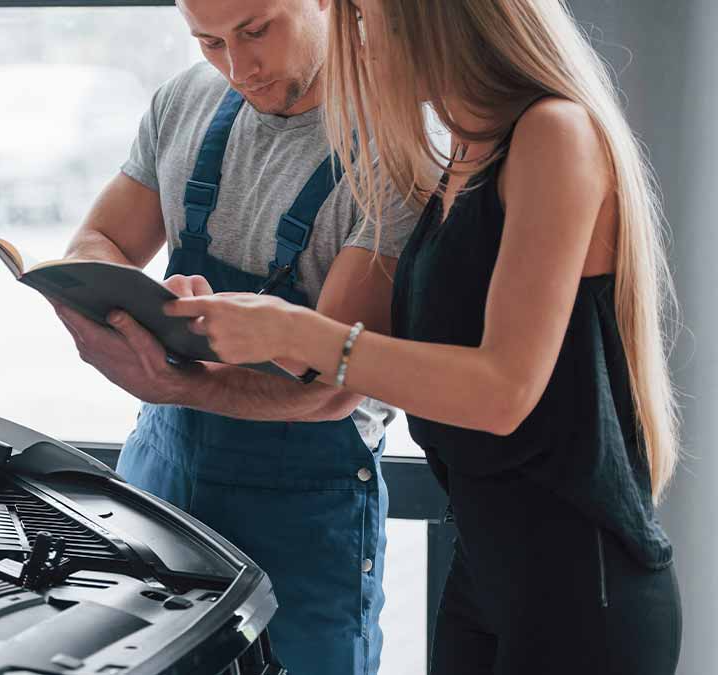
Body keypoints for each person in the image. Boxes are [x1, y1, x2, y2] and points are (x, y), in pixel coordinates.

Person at [164, 1, 683, 673]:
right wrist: (239, 328)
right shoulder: (463, 153)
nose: (352, 39)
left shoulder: (553, 132)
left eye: (361, 16)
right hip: (484, 568)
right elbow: (387, 361)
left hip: (581, 586)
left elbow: (503, 392)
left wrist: (298, 331)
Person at [52, 1, 416, 672]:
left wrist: (180, 379)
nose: (238, 67)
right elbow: (98, 240)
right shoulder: (187, 98)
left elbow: (333, 388)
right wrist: (123, 303)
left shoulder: (396, 145)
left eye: (257, 31)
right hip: (159, 472)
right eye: (209, 41)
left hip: (305, 511)